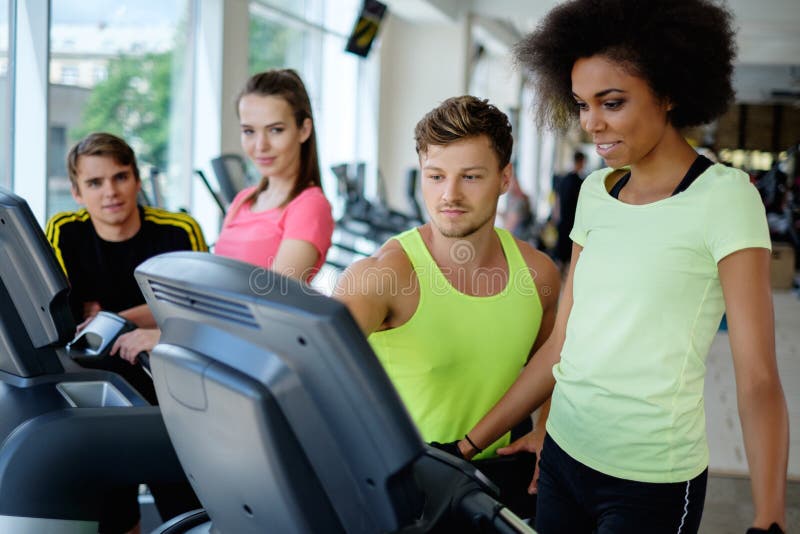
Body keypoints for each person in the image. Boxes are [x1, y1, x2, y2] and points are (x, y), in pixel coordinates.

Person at [454, 1, 789, 533]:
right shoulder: (594, 192)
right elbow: (563, 342)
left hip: (650, 481)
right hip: (563, 457)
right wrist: (465, 446)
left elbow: (757, 378)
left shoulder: (724, 198)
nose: (591, 123)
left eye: (611, 103)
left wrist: (769, 517)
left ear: (669, 91)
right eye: (582, 104)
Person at [333, 95, 560, 517]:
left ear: (504, 178)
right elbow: (309, 381)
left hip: (494, 488)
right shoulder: (381, 276)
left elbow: (551, 365)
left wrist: (546, 425)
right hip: (404, 491)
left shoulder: (538, 274)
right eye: (435, 176)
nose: (449, 195)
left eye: (470, 177)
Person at [111, 69, 335, 362]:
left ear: (303, 130)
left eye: (276, 130)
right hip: (216, 354)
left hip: (257, 360)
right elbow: (209, 298)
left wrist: (171, 335)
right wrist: (120, 319)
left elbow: (270, 310)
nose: (260, 146)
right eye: (249, 131)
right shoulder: (243, 200)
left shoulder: (309, 206)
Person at [45, 132, 206, 534]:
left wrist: (112, 316)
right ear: (77, 191)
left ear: (137, 180)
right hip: (101, 392)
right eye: (95, 183)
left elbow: (199, 311)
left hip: (169, 392)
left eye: (120, 177)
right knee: (114, 519)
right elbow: (62, 323)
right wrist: (154, 313)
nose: (110, 192)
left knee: (184, 517)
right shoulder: (65, 230)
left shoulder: (179, 231)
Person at [553, 150, 585, 269]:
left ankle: (558, 281)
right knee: (570, 258)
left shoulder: (564, 179)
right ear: (582, 162)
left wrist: (556, 217)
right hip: (573, 224)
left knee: (560, 256)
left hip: (562, 222)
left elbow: (557, 201)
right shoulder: (580, 182)